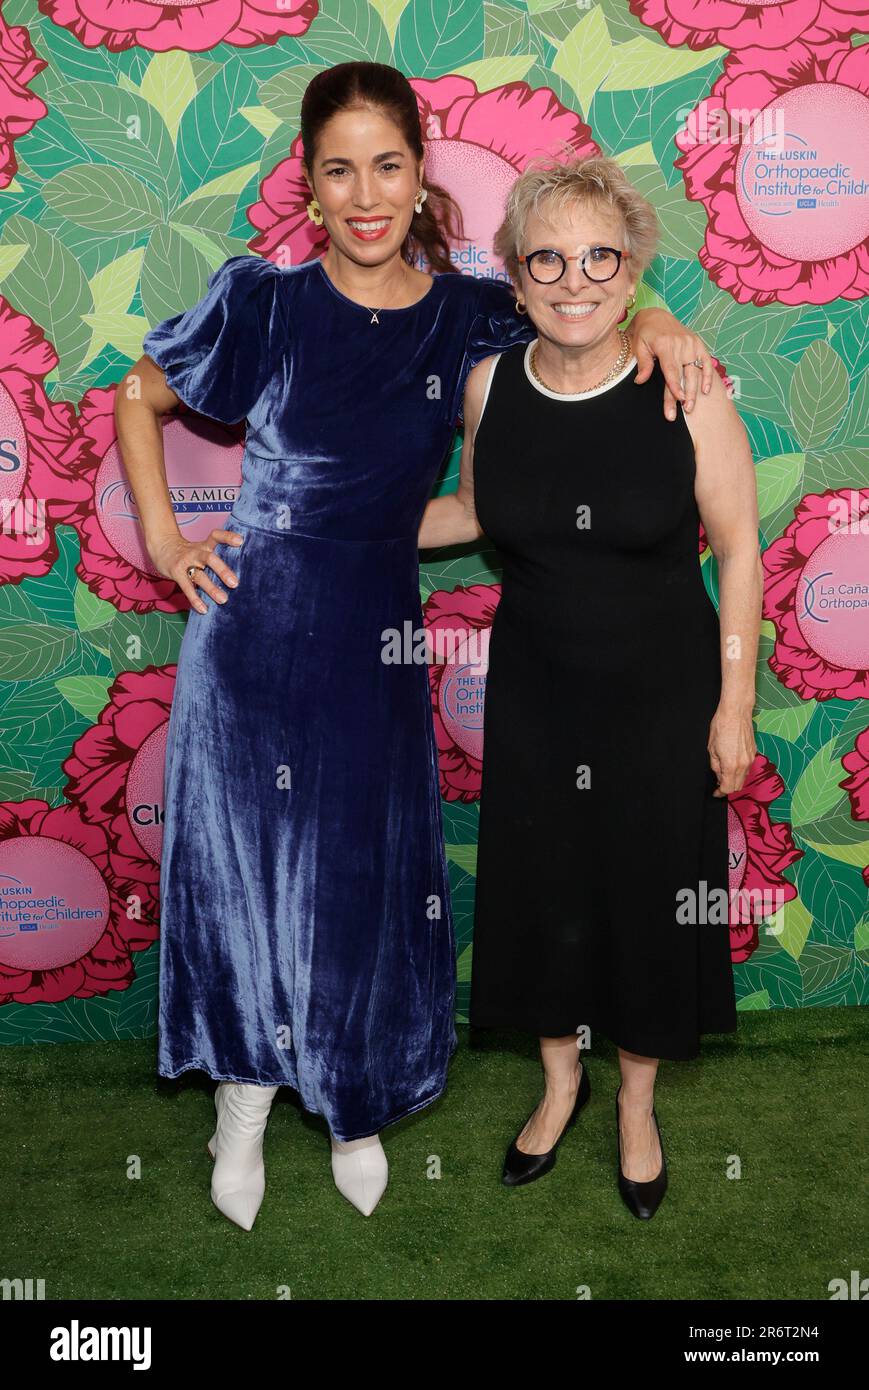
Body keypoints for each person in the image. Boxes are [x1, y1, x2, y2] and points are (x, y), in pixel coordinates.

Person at [116, 62, 715, 1227]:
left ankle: (350, 1102)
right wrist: (166, 540)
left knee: (360, 884)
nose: (364, 192)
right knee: (240, 882)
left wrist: (659, 315)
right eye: (337, 169)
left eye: (385, 164)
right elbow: (140, 399)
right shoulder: (263, 302)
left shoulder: (465, 313)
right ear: (310, 181)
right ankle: (238, 1109)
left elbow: (576, 308)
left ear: (417, 168)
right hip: (248, 643)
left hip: (375, 641)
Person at [418, 155, 761, 1220]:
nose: (575, 281)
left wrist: (733, 701)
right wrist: (325, 522)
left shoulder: (685, 389)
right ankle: (561, 1079)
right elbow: (472, 510)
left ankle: (635, 1104)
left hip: (662, 698)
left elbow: (740, 549)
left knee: (649, 895)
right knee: (546, 890)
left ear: (631, 272)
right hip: (535, 694)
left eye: (600, 258)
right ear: (514, 278)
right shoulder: (487, 385)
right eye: (548, 260)